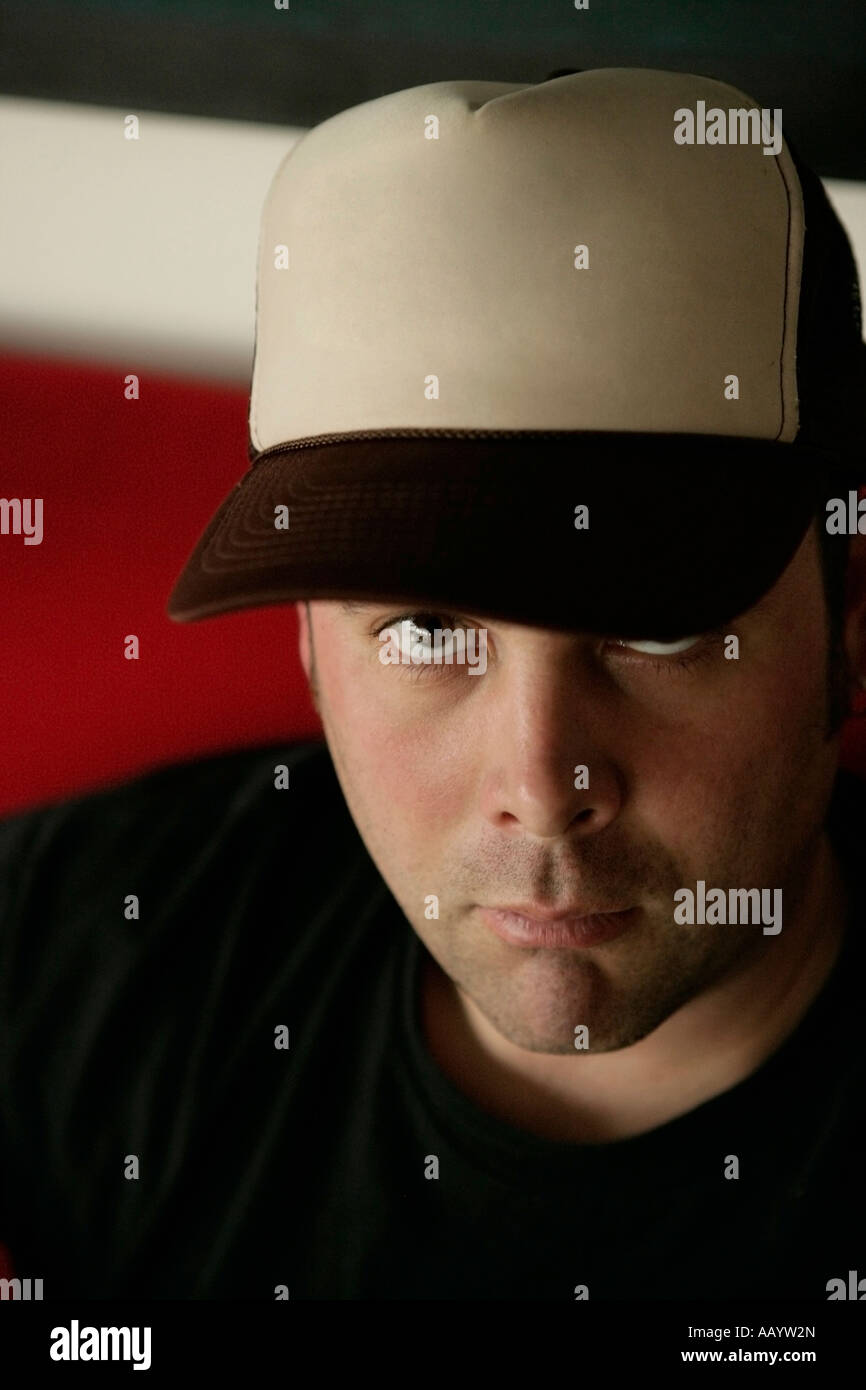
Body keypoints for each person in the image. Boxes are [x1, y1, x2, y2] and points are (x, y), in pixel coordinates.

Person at [1, 67, 865, 1302]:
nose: (540, 785)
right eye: (422, 630)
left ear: (848, 622)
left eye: (658, 630)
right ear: (306, 647)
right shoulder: (79, 953)